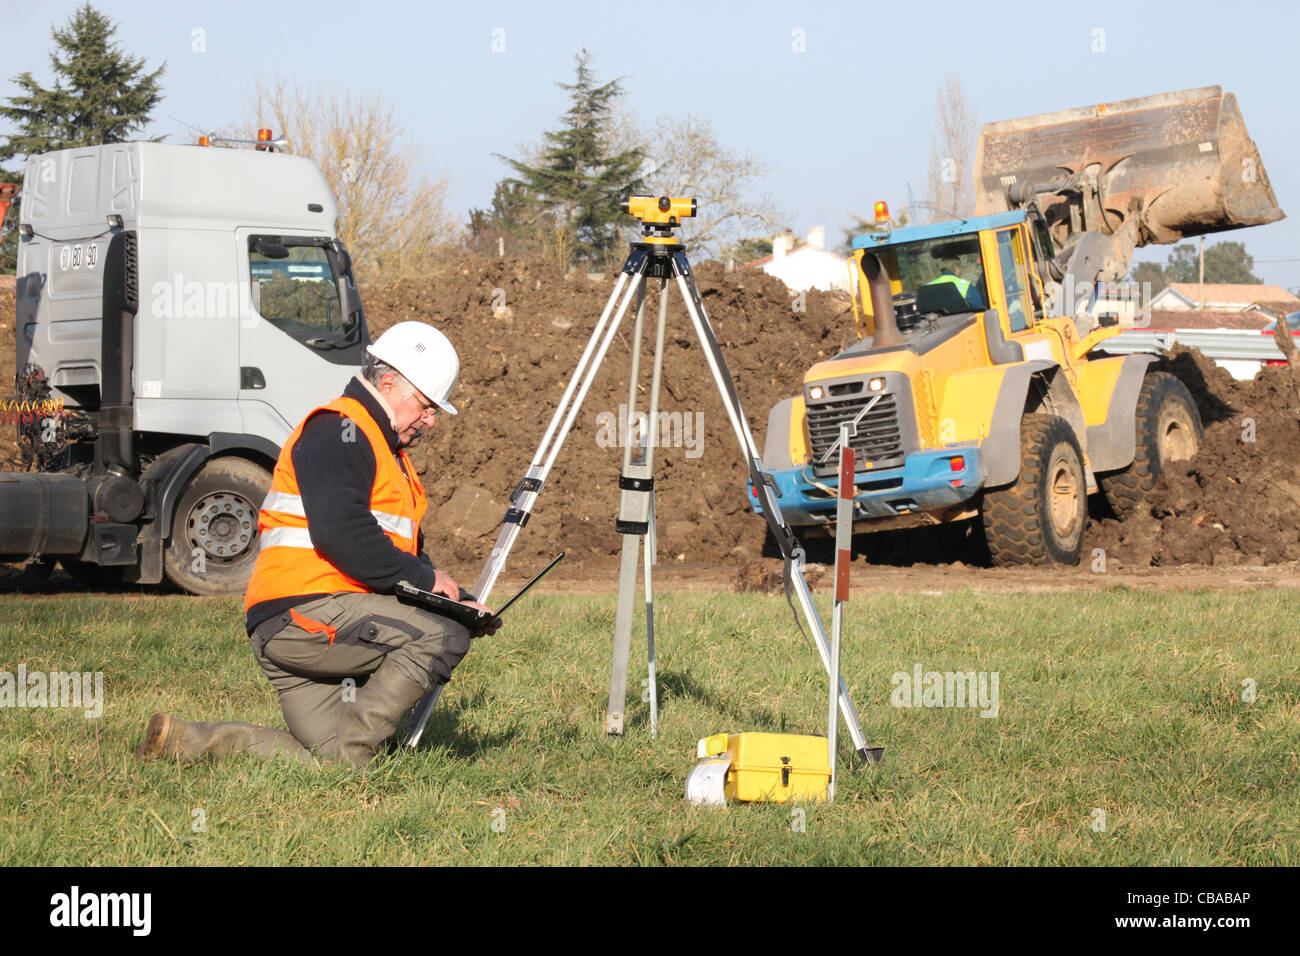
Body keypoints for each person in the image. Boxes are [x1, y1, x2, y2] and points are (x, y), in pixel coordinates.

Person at [135, 321, 497, 768]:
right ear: (388, 384)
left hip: (293, 625)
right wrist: (442, 603)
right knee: (443, 636)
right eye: (424, 406)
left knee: (335, 763)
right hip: (308, 617)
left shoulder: (382, 450)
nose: (430, 420)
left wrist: (459, 599)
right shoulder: (340, 432)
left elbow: (400, 558)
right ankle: (360, 754)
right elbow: (344, 537)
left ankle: (185, 742)